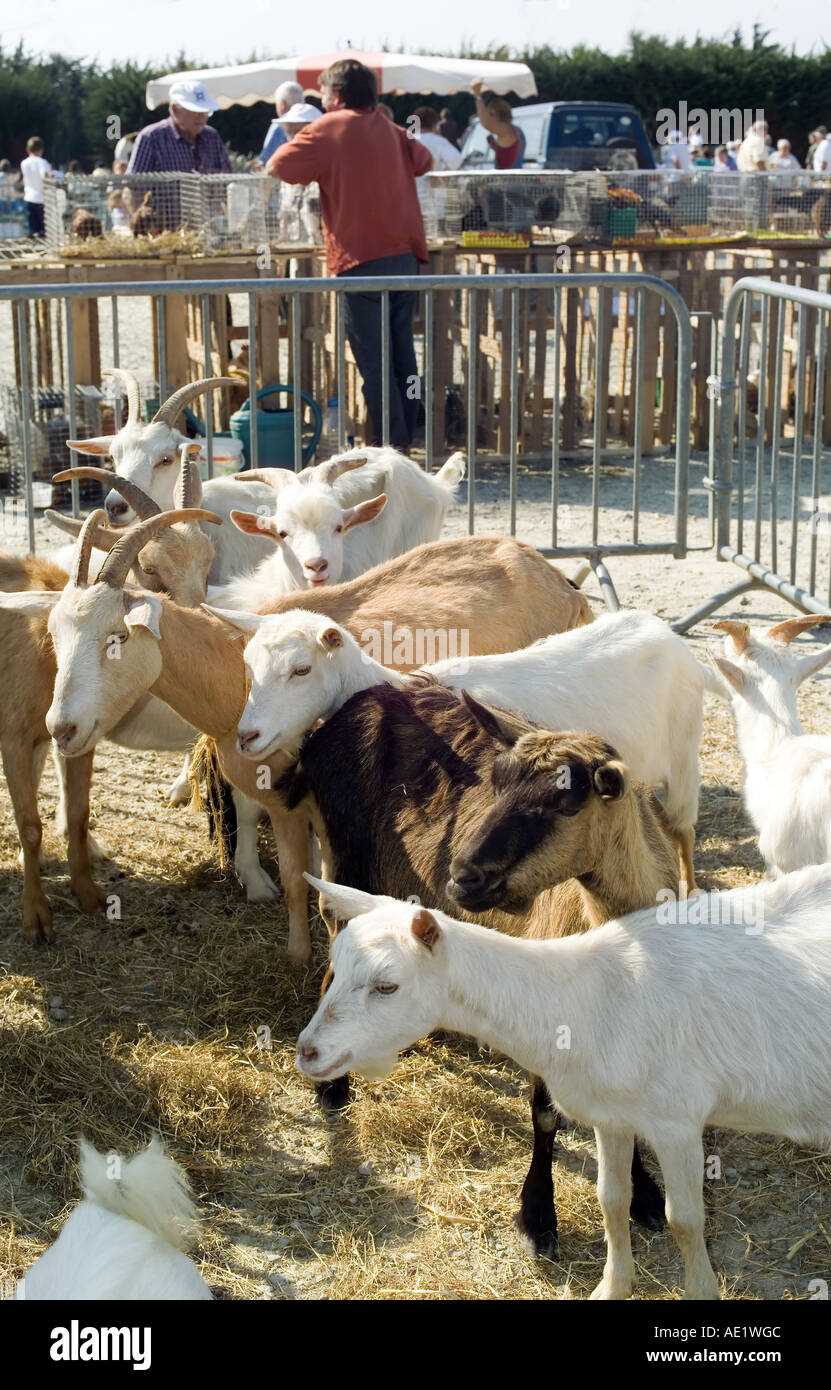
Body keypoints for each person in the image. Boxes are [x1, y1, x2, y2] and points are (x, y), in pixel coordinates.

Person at [267, 58, 432, 451]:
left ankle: (390, 448)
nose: (321, 102)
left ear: (337, 96)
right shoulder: (390, 130)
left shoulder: (328, 127)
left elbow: (277, 165)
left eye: (323, 94)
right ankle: (408, 435)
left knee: (375, 363)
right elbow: (424, 161)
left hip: (359, 260)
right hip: (405, 257)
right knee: (402, 356)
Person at [126, 79, 232, 228]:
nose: (201, 116)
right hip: (165, 234)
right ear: (175, 109)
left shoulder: (212, 137)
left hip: (208, 232)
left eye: (205, 111)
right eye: (195, 111)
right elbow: (133, 188)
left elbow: (229, 181)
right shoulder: (152, 137)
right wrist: (143, 226)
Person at [471, 79, 525, 168]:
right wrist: (496, 147)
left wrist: (477, 95)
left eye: (490, 114)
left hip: (509, 181)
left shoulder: (507, 130)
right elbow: (509, 154)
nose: (489, 117)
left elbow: (486, 123)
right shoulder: (514, 130)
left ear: (497, 114)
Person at [257, 81, 305, 168]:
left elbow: (265, 162)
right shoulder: (313, 122)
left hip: (283, 178)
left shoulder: (279, 126)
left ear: (282, 104)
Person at [412, 106, 462, 177]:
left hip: (407, 186)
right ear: (434, 124)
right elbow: (456, 160)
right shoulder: (439, 141)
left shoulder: (405, 140)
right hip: (431, 186)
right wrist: (440, 177)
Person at [21, 136, 51, 237]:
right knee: (44, 231)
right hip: (42, 198)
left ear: (28, 149)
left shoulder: (24, 163)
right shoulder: (43, 163)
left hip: (29, 197)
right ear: (41, 149)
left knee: (33, 230)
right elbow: (45, 177)